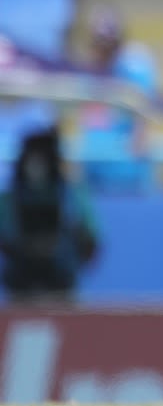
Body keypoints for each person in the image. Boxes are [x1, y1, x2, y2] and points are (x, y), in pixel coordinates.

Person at [0, 125, 100, 303]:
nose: (37, 166)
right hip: (20, 284)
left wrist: (66, 254)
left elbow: (92, 240)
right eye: (32, 158)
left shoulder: (72, 195)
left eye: (42, 159)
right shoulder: (9, 199)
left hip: (61, 282)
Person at [75, 6, 163, 195]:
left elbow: (143, 113)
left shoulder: (134, 68)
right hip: (96, 165)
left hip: (127, 168)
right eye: (98, 43)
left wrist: (139, 143)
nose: (102, 50)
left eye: (107, 44)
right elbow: (91, 121)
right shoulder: (92, 71)